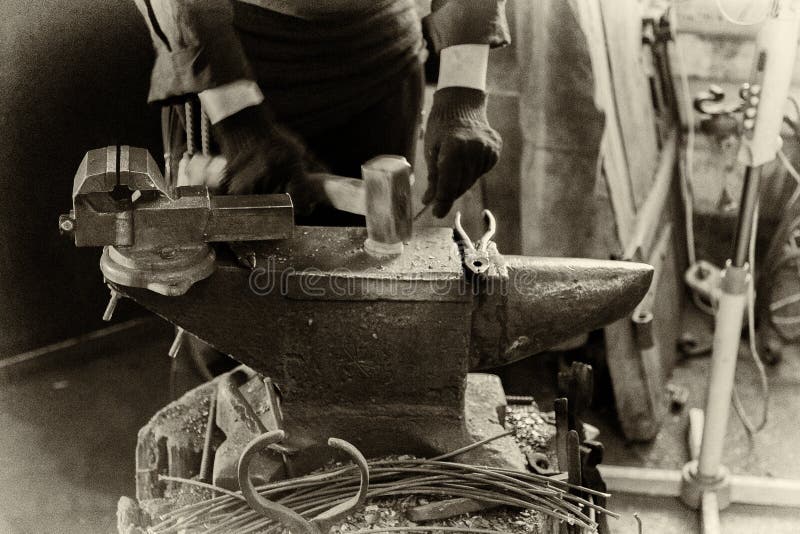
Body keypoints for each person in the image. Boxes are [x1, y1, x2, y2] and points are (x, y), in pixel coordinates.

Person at [133, 0, 511, 390]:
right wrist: (241, 122)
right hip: (230, 69)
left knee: (365, 311)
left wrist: (463, 93)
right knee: (235, 327)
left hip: (381, 64)